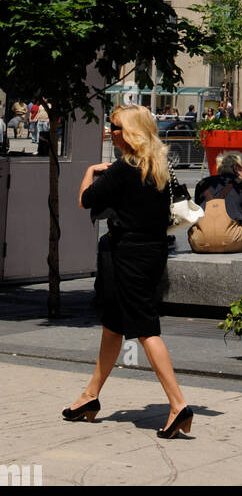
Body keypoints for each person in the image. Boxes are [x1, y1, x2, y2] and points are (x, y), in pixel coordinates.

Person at [64, 105, 192, 438]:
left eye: (117, 128)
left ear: (132, 132)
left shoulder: (122, 169)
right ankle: (90, 396)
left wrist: (92, 170)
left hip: (127, 255)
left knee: (146, 329)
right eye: (111, 127)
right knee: (113, 326)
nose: (111, 132)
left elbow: (85, 201)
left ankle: (178, 404)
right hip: (152, 252)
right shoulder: (158, 166)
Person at [188, 150, 242, 253]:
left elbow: (198, 213)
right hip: (232, 241)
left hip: (201, 242)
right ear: (236, 168)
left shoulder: (202, 184)